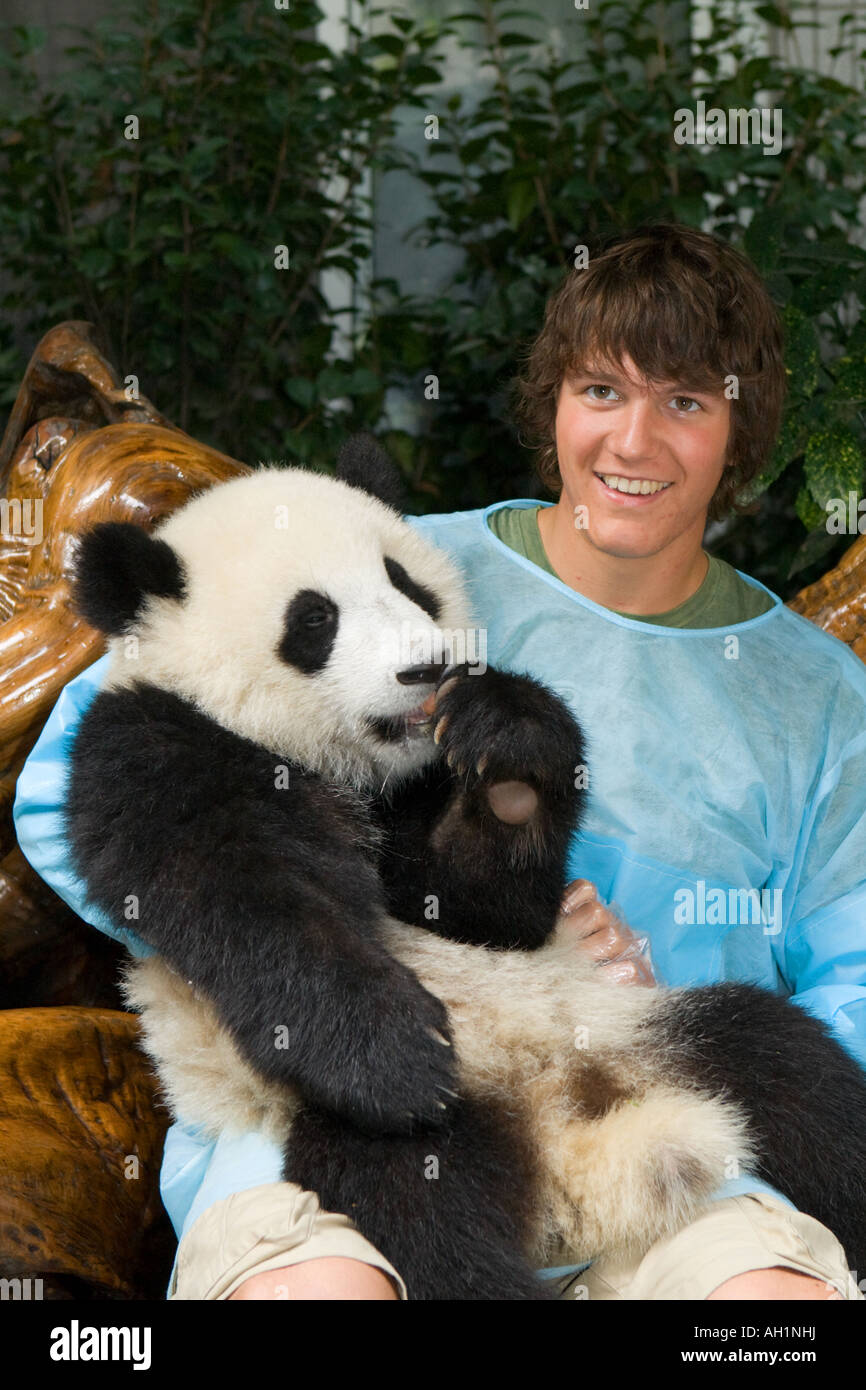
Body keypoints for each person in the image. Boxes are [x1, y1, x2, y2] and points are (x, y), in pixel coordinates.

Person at [13, 223, 866, 1301]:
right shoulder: (380, 551)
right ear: (551, 400)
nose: (633, 441)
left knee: (767, 1307)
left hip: (650, 1098)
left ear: (739, 428)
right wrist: (321, 964)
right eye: (600, 391)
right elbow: (95, 787)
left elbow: (854, 978)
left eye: (685, 401)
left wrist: (625, 982)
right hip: (350, 1101)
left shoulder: (816, 695)